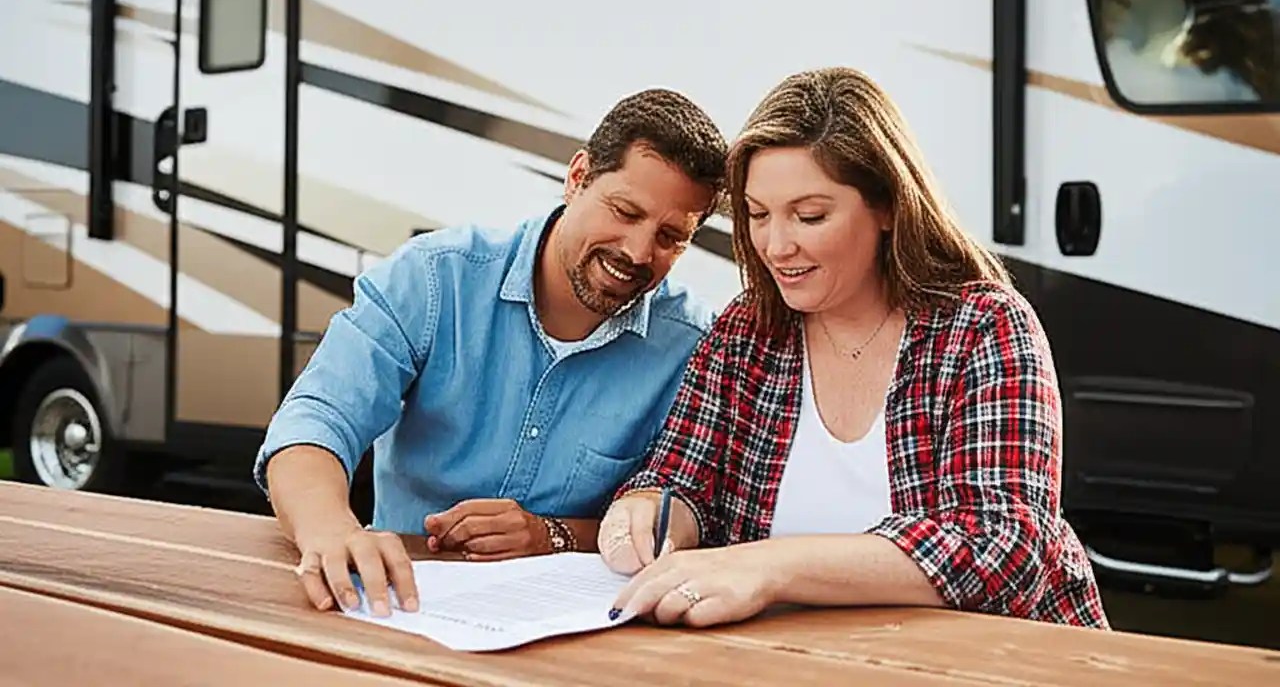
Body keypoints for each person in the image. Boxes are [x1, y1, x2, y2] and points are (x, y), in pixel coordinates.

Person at [598, 67, 1110, 630]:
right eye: (758, 214)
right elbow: (680, 481)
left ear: (888, 207)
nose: (775, 245)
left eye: (810, 215)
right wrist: (645, 514)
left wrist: (770, 568)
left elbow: (1004, 550)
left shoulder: (983, 328)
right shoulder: (746, 332)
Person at [253, 88, 728, 618]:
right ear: (577, 178)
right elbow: (316, 418)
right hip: (400, 605)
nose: (638, 251)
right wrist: (332, 529)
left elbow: (687, 521)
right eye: (624, 211)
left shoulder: (693, 344)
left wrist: (547, 535)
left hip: (571, 628)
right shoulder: (436, 278)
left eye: (669, 237)